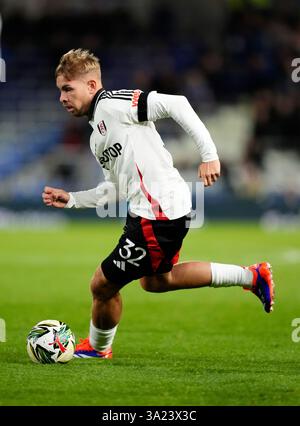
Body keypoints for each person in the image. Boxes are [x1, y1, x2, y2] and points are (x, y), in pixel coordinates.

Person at [42, 49, 275, 359]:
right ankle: (252, 276)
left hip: (158, 213)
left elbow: (177, 103)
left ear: (92, 84)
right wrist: (72, 199)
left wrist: (209, 155)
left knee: (102, 285)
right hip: (152, 210)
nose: (62, 97)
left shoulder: (113, 104)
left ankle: (98, 349)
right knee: (156, 281)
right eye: (60, 90)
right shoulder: (97, 136)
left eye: (67, 88)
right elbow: (114, 189)